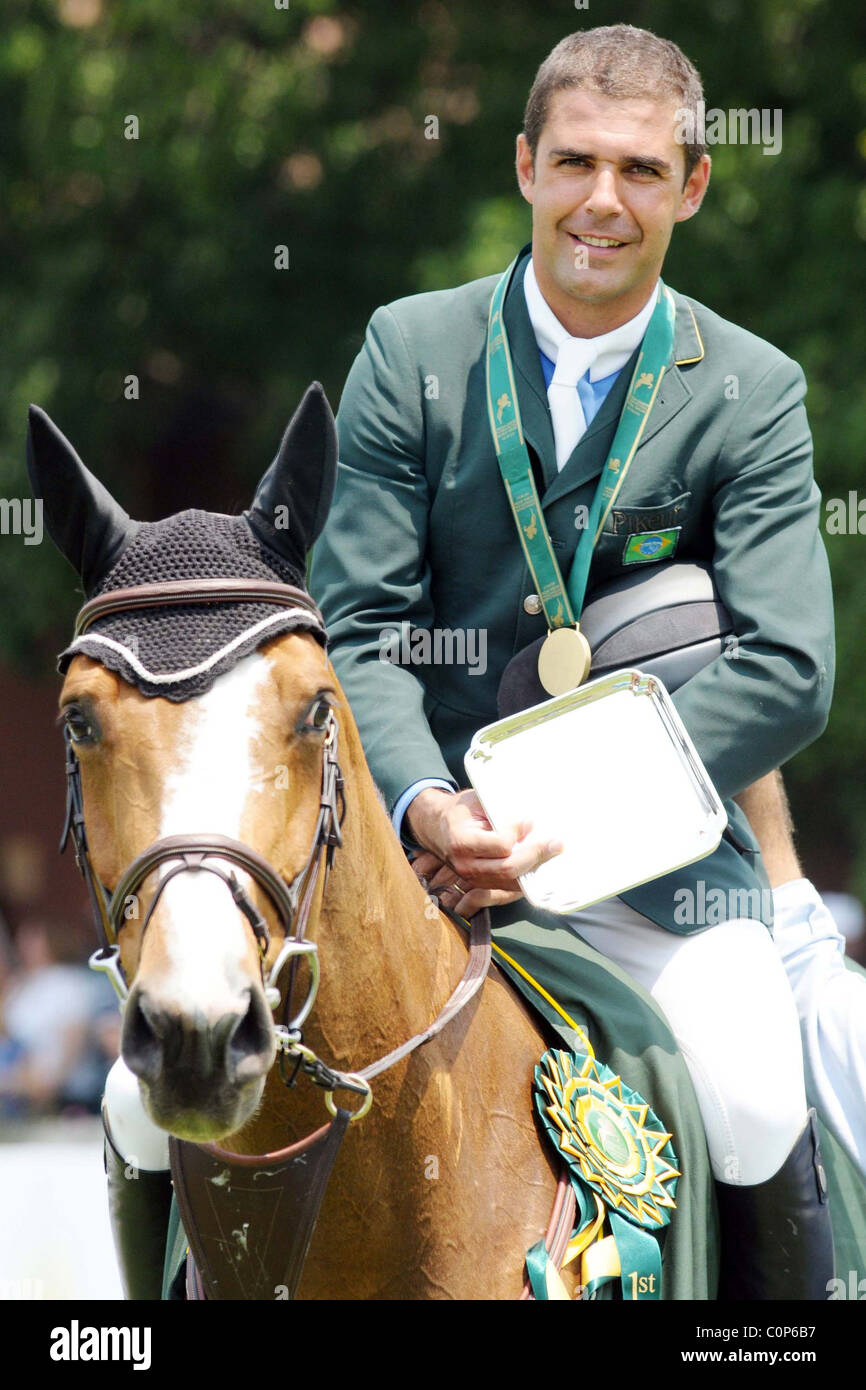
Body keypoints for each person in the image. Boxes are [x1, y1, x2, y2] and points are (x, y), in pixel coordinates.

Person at [309, 25, 847, 1298]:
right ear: (524, 168)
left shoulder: (753, 389)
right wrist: (431, 804)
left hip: (662, 876)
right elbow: (357, 631)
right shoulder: (410, 351)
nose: (603, 202)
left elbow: (789, 669)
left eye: (641, 171)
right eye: (575, 163)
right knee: (160, 1085)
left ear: (692, 185)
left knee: (759, 1093)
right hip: (427, 865)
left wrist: (562, 818)